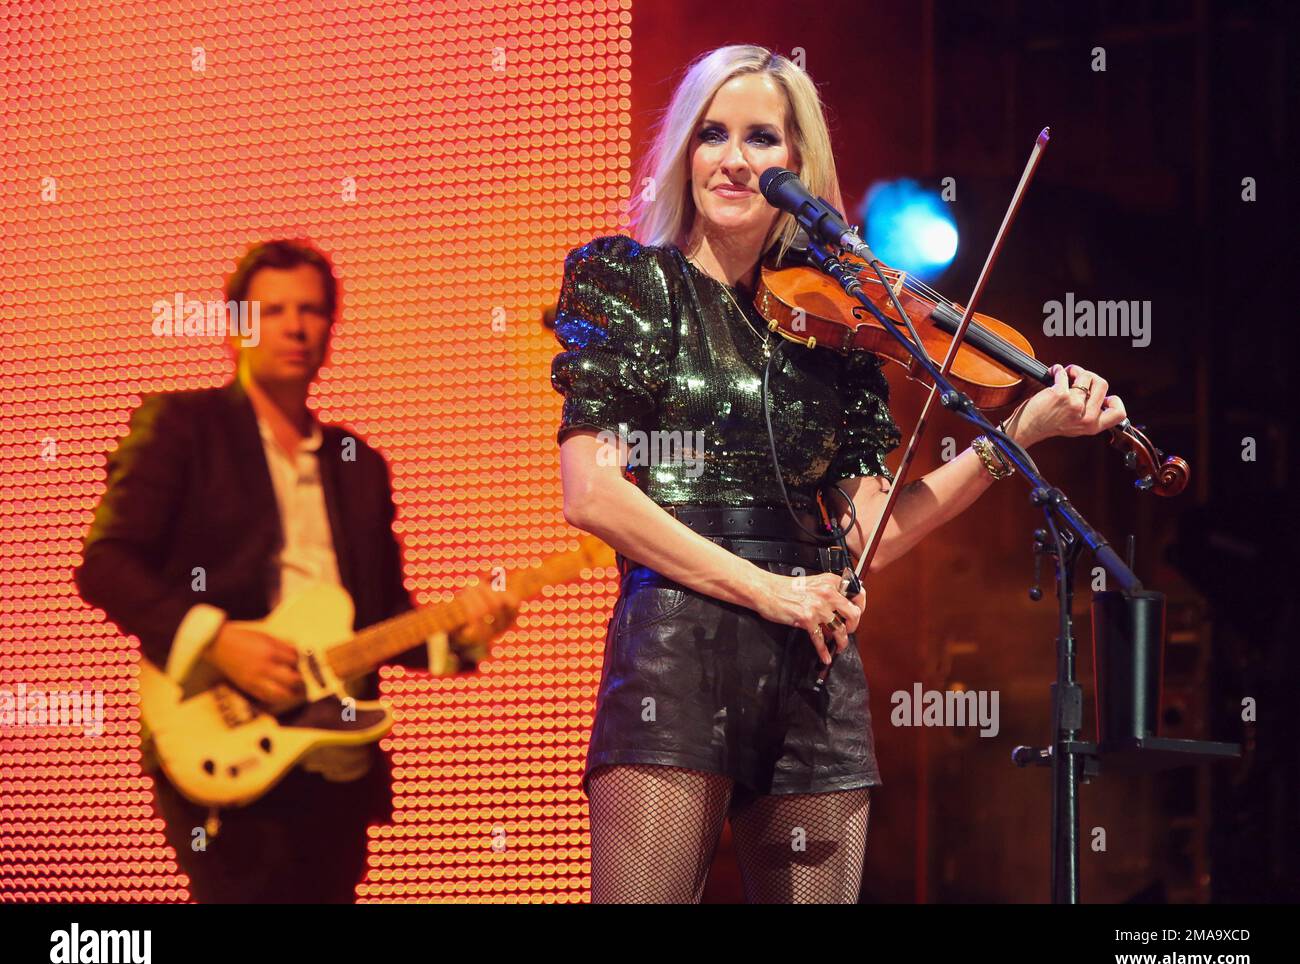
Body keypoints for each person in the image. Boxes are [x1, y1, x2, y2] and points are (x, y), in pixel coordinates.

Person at [551, 45, 1128, 904]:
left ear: (798, 163)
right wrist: (769, 589)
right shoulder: (634, 282)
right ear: (685, 151)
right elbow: (592, 491)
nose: (736, 158)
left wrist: (1014, 436)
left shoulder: (837, 323)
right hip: (675, 655)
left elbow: (868, 531)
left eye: (762, 139)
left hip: (813, 667)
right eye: (713, 134)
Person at [76, 239, 513, 902]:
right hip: (222, 729)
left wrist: (465, 633)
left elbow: (381, 618)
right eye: (272, 309)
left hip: (335, 759)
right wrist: (219, 639)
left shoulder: (357, 463)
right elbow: (105, 565)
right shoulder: (183, 427)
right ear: (236, 326)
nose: (294, 325)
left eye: (311, 310)